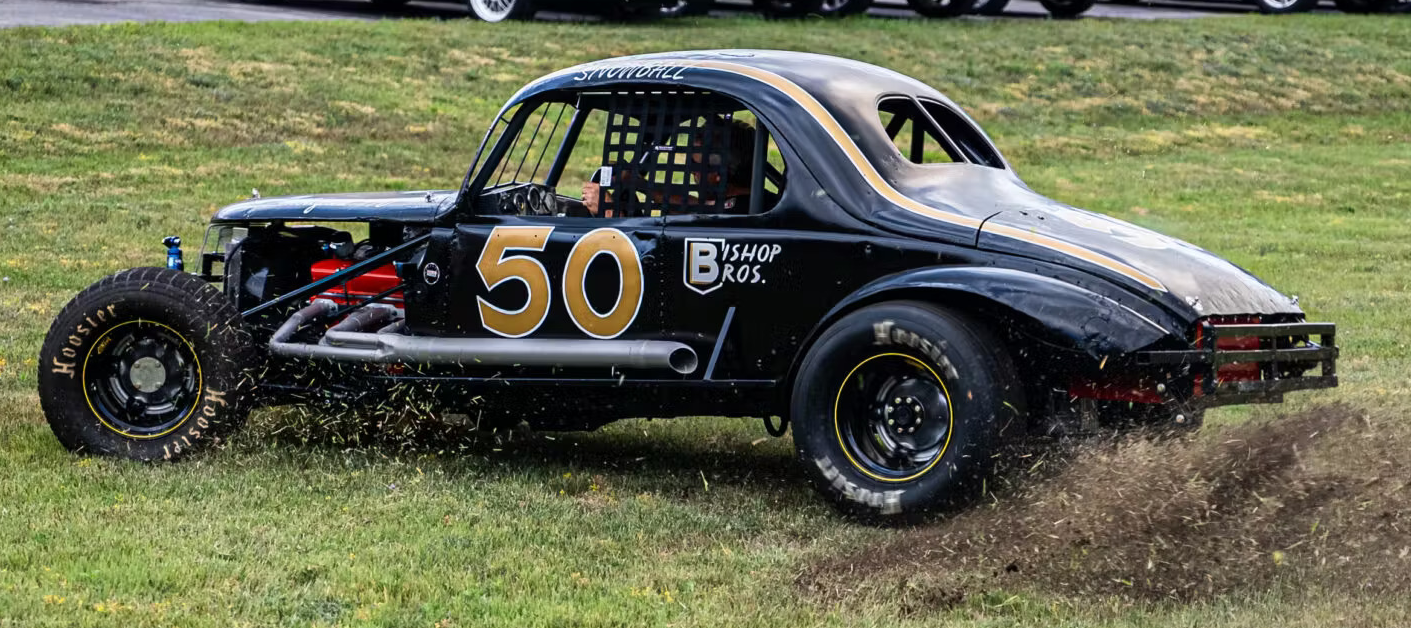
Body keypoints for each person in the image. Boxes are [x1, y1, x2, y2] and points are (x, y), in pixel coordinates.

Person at [580, 117, 767, 217]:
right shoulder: (754, 203)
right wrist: (637, 183)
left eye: (696, 165)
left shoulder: (737, 217)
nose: (692, 171)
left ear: (719, 174)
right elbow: (693, 205)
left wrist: (609, 212)